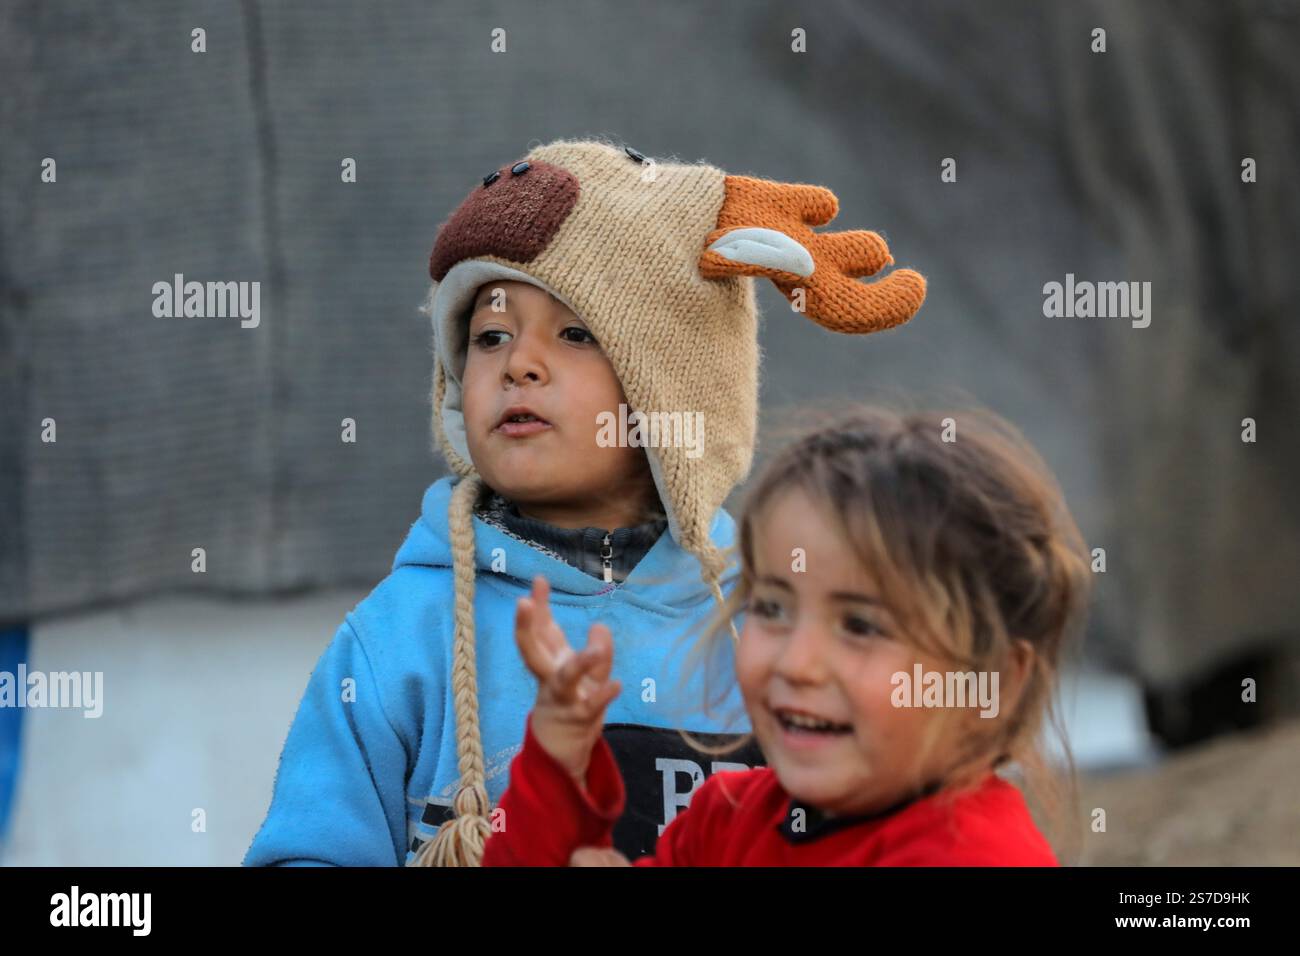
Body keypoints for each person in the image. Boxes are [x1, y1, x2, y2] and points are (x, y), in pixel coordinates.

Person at [243, 138, 926, 866]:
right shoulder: (398, 637)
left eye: (574, 334)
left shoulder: (768, 625)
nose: (519, 364)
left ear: (673, 389)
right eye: (489, 336)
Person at [482, 406, 1092, 866]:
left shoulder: (972, 856)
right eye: (772, 607)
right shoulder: (727, 820)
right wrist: (559, 761)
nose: (797, 663)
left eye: (859, 625)